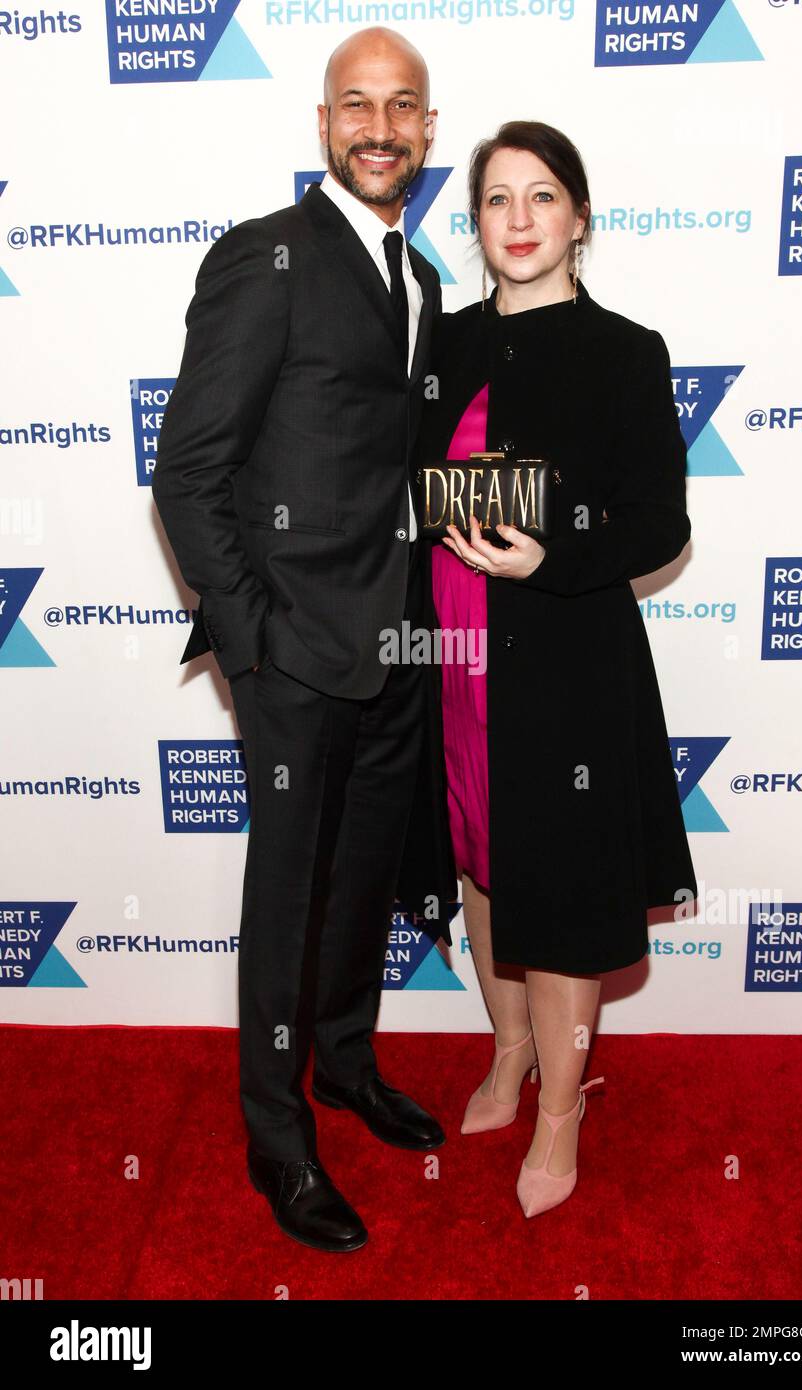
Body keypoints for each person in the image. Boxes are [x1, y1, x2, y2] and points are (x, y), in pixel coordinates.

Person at [151, 27, 453, 1254]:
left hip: (399, 657)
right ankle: (276, 1139)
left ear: (427, 132)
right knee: (285, 906)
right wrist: (253, 640)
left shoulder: (423, 277)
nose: (378, 128)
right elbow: (186, 472)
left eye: (402, 109)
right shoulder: (265, 259)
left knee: (360, 891)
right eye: (355, 106)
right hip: (292, 659)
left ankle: (343, 1066)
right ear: (321, 124)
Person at [411, 121, 698, 1219]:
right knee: (483, 856)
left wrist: (554, 549)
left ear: (579, 216)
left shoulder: (626, 350)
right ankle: (507, 1050)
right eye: (495, 199)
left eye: (541, 197)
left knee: (565, 887)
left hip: (567, 652)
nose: (518, 220)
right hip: (452, 646)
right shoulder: (442, 344)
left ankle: (560, 1110)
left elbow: (659, 523)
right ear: (475, 222)